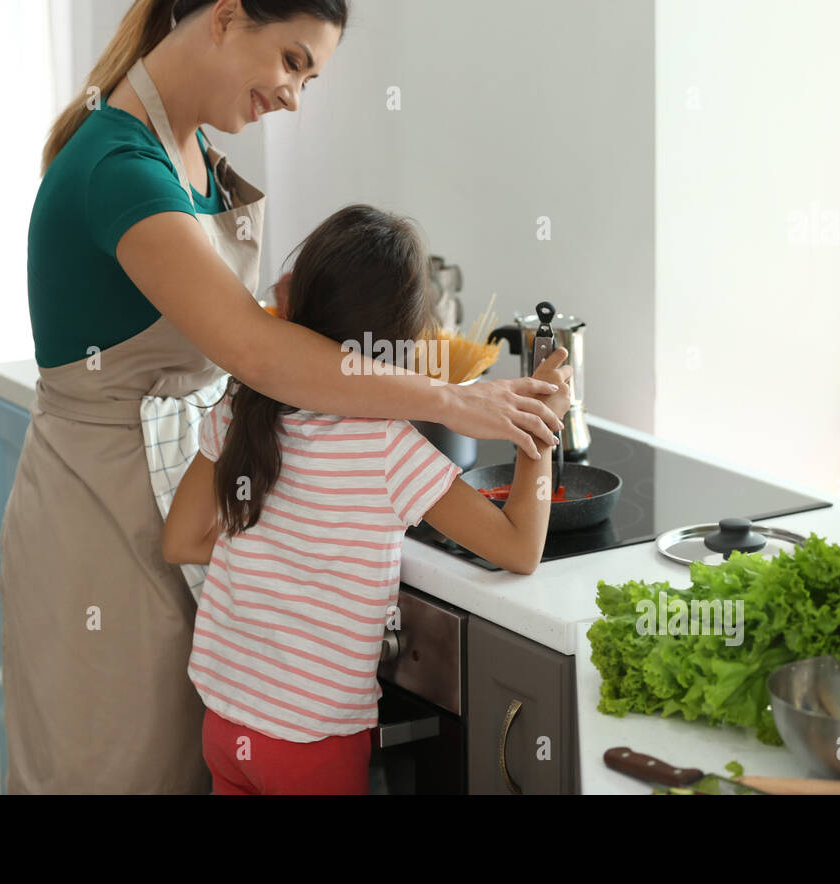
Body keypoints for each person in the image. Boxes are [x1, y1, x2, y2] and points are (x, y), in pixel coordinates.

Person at [0, 0, 569, 794]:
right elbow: (257, 350)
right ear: (227, 17)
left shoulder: (187, 154)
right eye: (293, 61)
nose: (295, 96)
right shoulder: (120, 168)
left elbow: (260, 346)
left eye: (311, 79)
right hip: (98, 524)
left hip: (166, 516)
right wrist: (455, 402)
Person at [163, 204, 572, 794]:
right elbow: (518, 549)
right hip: (310, 743)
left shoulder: (239, 407)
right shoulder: (384, 446)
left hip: (226, 726)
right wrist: (538, 431)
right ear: (403, 338)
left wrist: (271, 554)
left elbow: (180, 541)